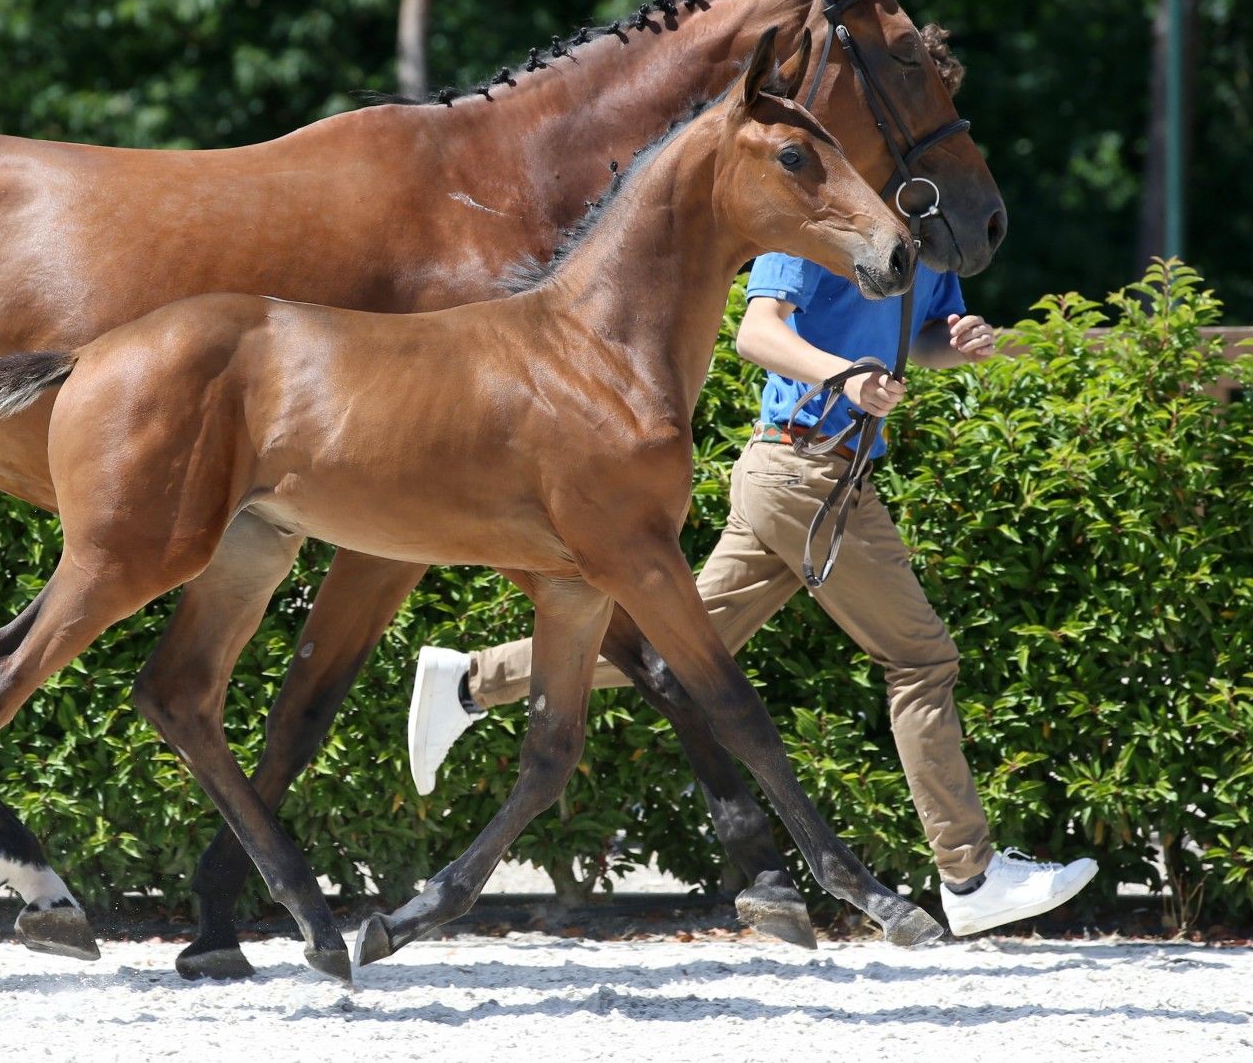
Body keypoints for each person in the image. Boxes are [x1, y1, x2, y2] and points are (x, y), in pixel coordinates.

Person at [407, 252, 1098, 936]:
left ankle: (469, 681)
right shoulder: (817, 226)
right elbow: (757, 332)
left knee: (682, 649)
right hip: (806, 473)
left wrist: (957, 341)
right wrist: (846, 377)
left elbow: (917, 340)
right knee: (921, 661)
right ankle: (970, 876)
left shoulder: (922, 242)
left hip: (816, 476)